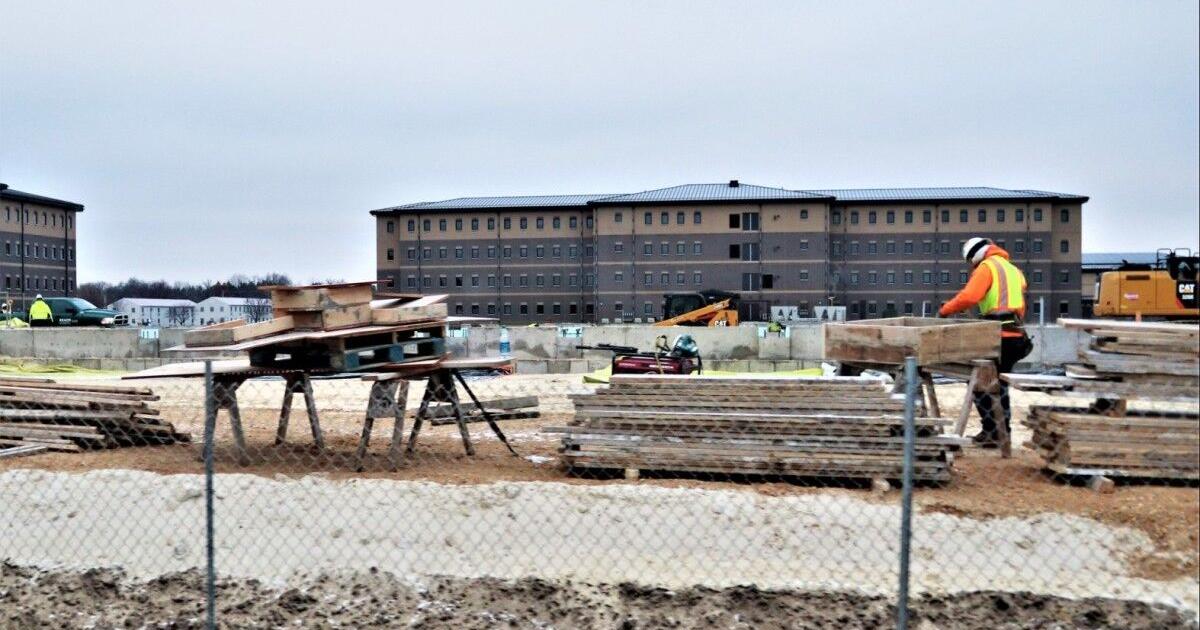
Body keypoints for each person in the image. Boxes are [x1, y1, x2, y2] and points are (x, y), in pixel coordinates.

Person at [938, 237, 1033, 447]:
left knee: (980, 381)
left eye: (971, 261)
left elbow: (969, 297)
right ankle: (1000, 433)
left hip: (996, 335)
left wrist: (945, 310)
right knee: (999, 384)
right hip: (1016, 334)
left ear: (975, 255)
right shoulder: (1013, 270)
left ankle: (993, 432)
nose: (971, 265)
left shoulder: (987, 267)